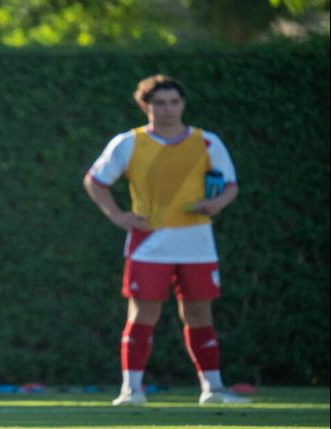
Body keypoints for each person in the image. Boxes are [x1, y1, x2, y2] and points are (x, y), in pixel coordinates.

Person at [85, 74, 248, 406]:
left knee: (200, 314)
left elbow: (230, 185)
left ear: (183, 104)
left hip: (197, 242)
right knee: (143, 314)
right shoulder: (128, 143)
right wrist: (118, 215)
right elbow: (95, 181)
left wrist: (216, 203)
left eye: (174, 102)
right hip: (149, 243)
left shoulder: (207, 142)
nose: (168, 109)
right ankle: (132, 391)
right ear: (145, 105)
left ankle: (213, 390)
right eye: (160, 102)